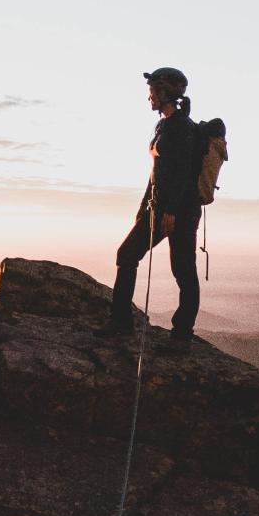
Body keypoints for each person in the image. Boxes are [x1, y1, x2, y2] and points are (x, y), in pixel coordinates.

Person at [96, 65, 202, 348]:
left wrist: (170, 212)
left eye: (153, 92)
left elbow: (181, 173)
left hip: (178, 210)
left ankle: (181, 335)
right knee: (127, 254)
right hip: (158, 207)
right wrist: (144, 207)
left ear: (166, 93)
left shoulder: (182, 127)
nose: (149, 98)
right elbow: (157, 172)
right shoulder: (164, 125)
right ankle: (120, 322)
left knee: (182, 269)